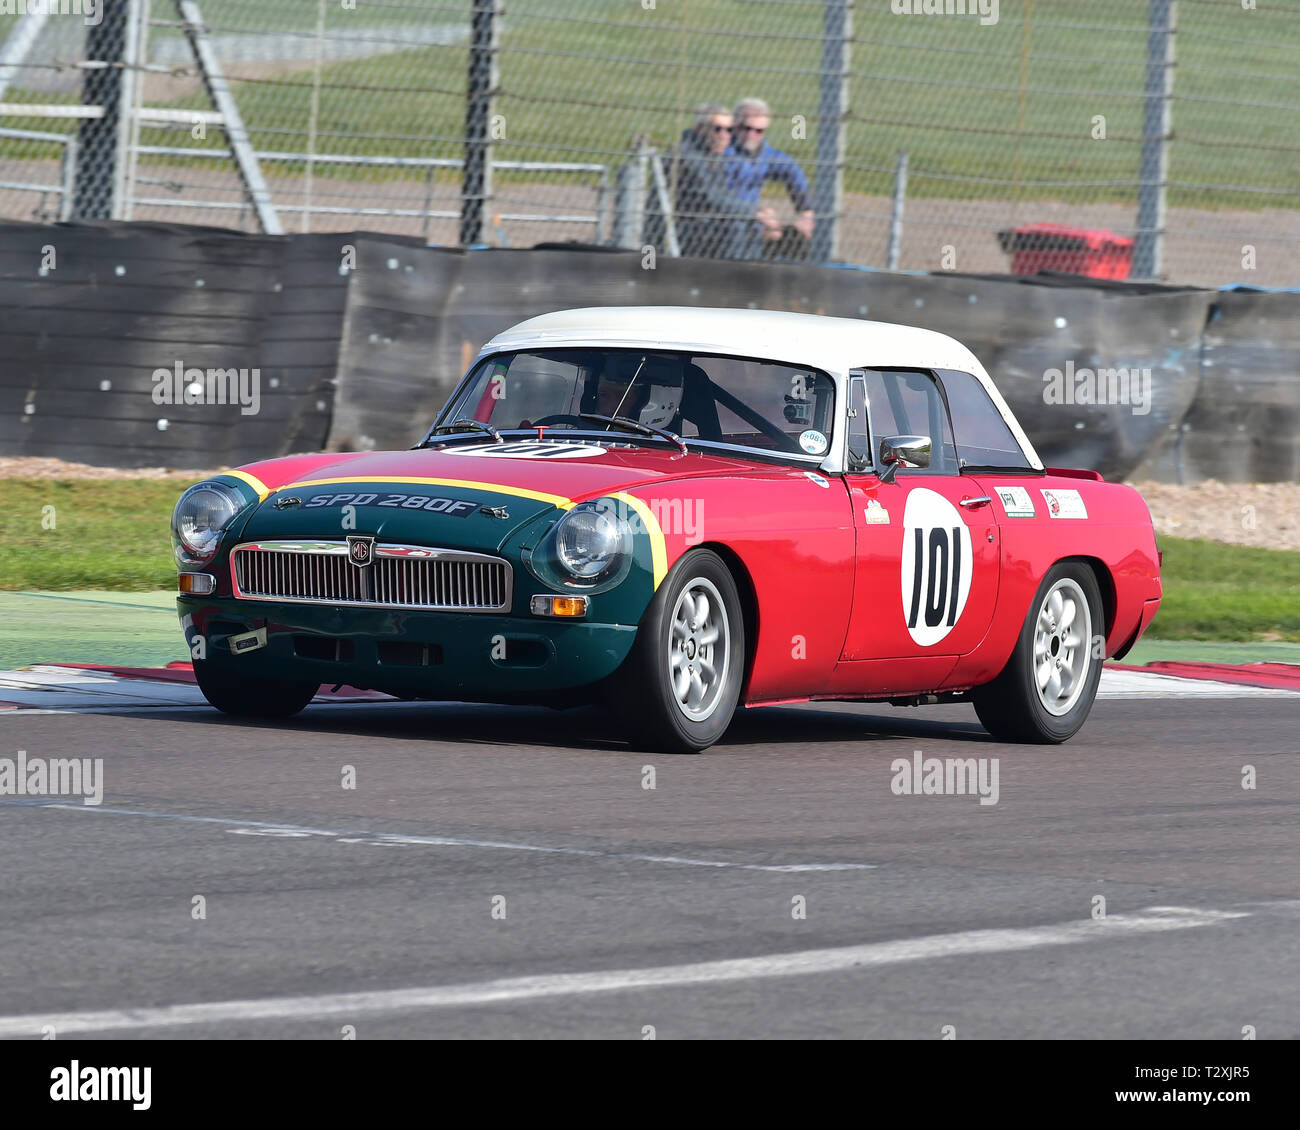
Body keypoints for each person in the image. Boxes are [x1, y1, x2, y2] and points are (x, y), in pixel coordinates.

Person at [644, 104, 755, 259]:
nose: (724, 135)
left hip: (699, 224)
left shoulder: (710, 156)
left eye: (729, 130)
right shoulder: (687, 156)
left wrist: (755, 214)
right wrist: (753, 212)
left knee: (756, 227)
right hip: (675, 229)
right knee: (737, 226)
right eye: (717, 129)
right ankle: (732, 277)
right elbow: (710, 198)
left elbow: (723, 196)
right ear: (700, 129)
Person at [727, 97, 815, 259]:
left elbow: (792, 171)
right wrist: (755, 213)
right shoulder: (721, 153)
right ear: (734, 126)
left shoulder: (764, 154)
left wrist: (806, 211)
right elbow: (717, 196)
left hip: (756, 224)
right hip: (727, 224)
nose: (751, 135)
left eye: (758, 131)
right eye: (746, 128)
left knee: (798, 238)